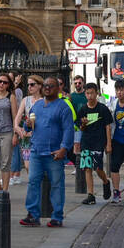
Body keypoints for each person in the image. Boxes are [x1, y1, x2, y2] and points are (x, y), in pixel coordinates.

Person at [20, 77, 74, 227]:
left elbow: (68, 130)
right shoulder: (36, 106)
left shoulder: (63, 107)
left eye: (51, 86)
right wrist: (27, 124)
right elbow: (28, 127)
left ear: (58, 89)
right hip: (36, 151)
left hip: (54, 153)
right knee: (32, 182)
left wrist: (64, 148)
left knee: (57, 184)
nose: (47, 88)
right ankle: (33, 215)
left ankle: (57, 216)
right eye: (45, 86)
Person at [76, 83, 113, 204]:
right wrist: (83, 124)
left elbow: (108, 126)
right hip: (86, 141)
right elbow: (80, 128)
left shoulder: (102, 108)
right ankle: (90, 195)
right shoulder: (83, 109)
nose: (90, 96)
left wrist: (108, 143)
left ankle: (106, 181)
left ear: (96, 93)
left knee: (97, 168)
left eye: (92, 93)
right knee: (87, 168)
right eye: (87, 93)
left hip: (99, 141)